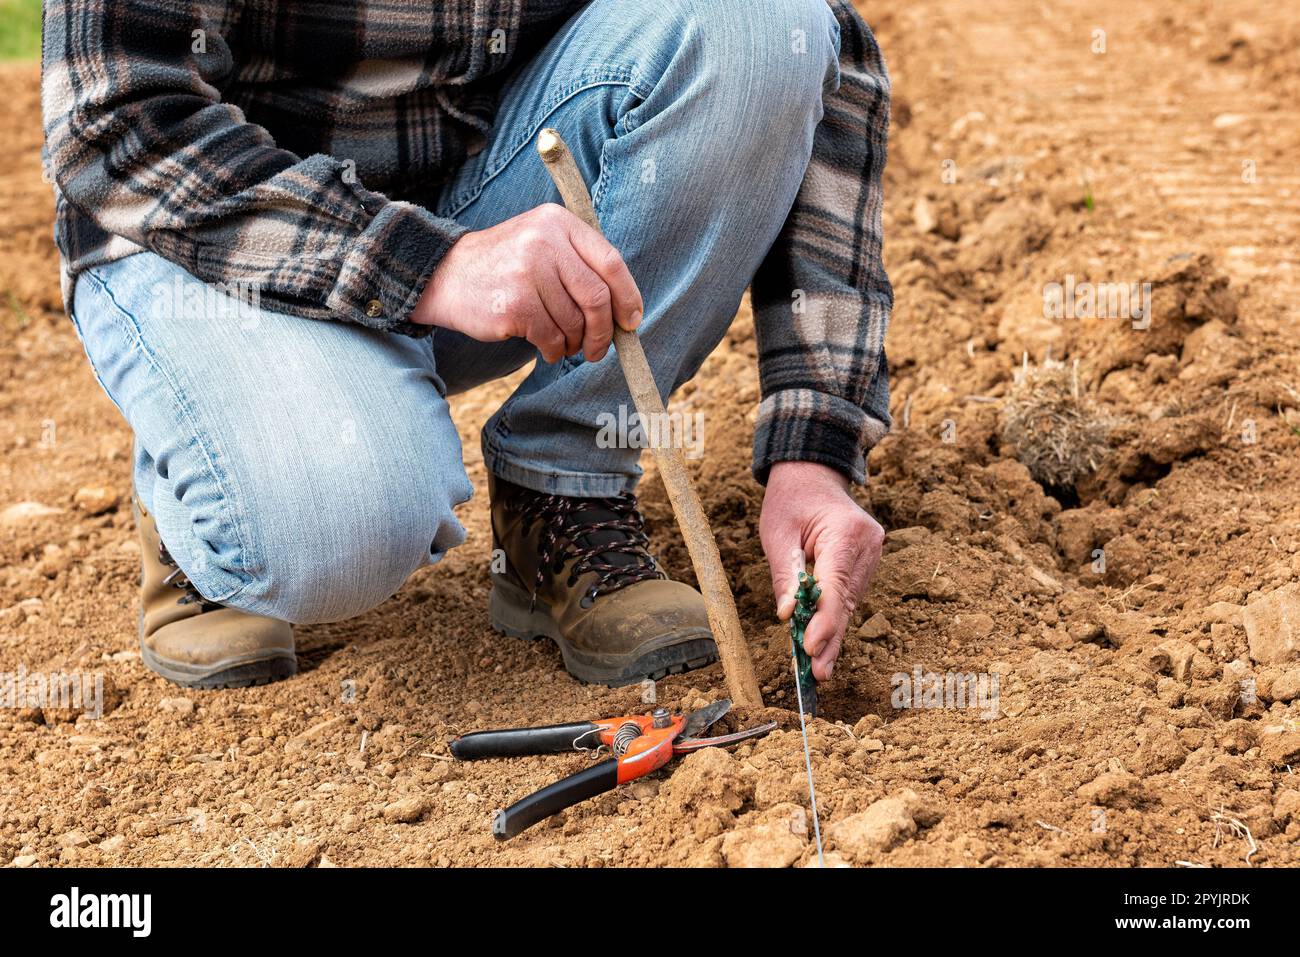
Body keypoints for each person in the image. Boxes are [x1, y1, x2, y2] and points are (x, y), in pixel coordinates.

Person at [40, 0, 891, 690]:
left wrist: (814, 452)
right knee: (343, 532)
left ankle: (564, 491)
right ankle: (210, 495)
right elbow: (111, 116)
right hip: (218, 246)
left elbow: (823, 47)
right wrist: (431, 264)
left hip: (475, 195)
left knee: (755, 24)